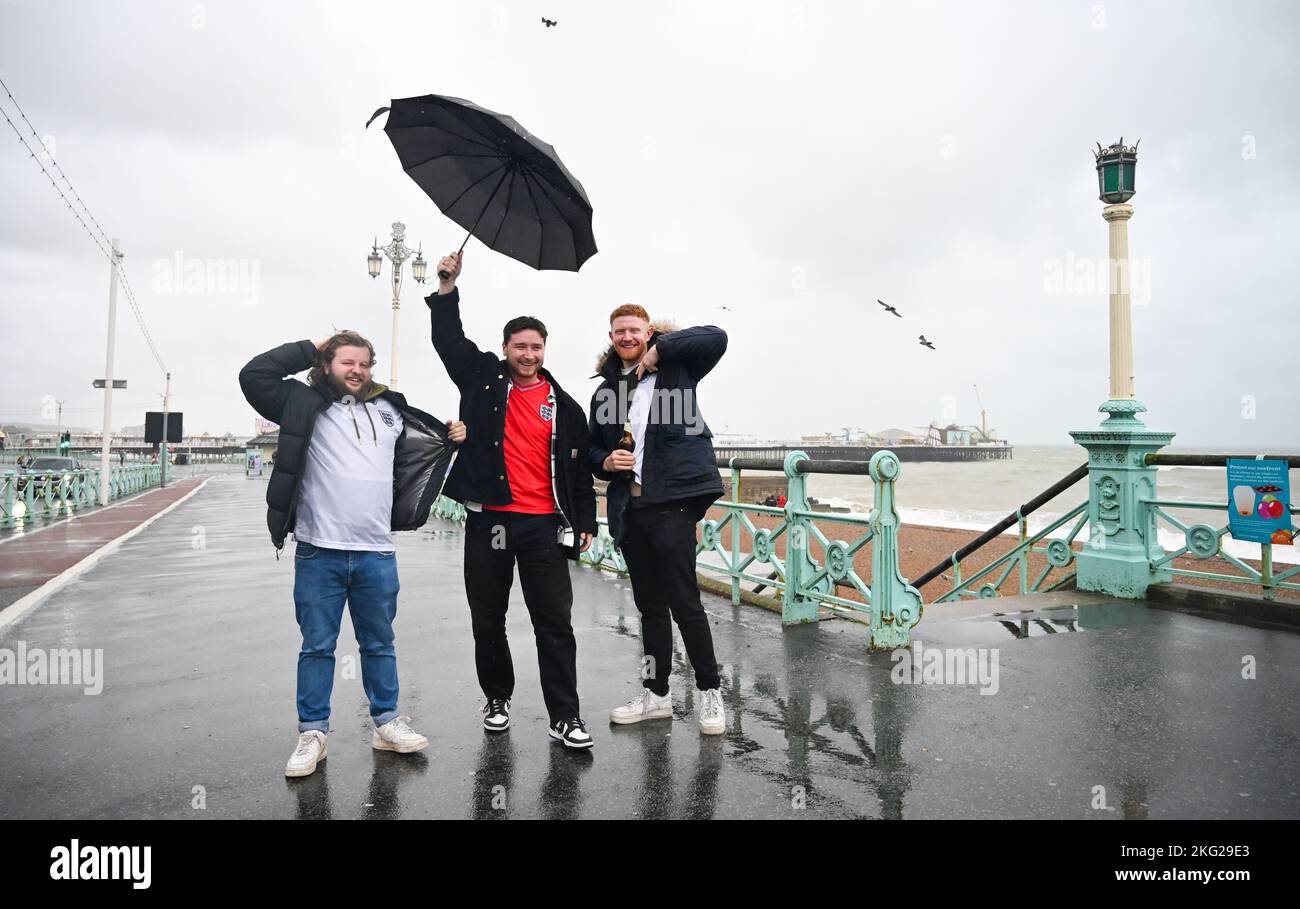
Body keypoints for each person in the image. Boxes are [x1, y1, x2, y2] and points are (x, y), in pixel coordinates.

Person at [239, 330, 464, 778]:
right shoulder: (299, 402)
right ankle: (313, 733)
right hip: (318, 550)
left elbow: (418, 457)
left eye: (364, 363)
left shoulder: (390, 409)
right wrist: (309, 344)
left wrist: (451, 437)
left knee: (379, 643)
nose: (357, 370)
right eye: (346, 362)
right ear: (326, 364)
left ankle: (386, 722)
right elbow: (253, 375)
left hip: (377, 552)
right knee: (317, 646)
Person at [427, 250, 598, 750]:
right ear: (505, 348)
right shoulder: (481, 378)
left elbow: (577, 469)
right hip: (489, 522)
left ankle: (564, 716)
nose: (528, 354)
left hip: (544, 525)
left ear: (545, 350)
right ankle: (497, 697)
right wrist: (446, 288)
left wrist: (585, 521)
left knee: (554, 624)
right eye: (520, 346)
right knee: (488, 619)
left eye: (537, 347)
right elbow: (447, 340)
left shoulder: (564, 405)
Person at [588, 304, 729, 734]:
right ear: (611, 337)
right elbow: (592, 452)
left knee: (685, 603)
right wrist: (606, 461)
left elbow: (717, 335)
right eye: (619, 332)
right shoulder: (605, 392)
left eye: (634, 330)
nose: (626, 338)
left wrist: (658, 353)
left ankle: (710, 694)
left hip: (674, 501)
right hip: (632, 508)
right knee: (650, 607)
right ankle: (657, 695)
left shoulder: (679, 370)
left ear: (647, 332)